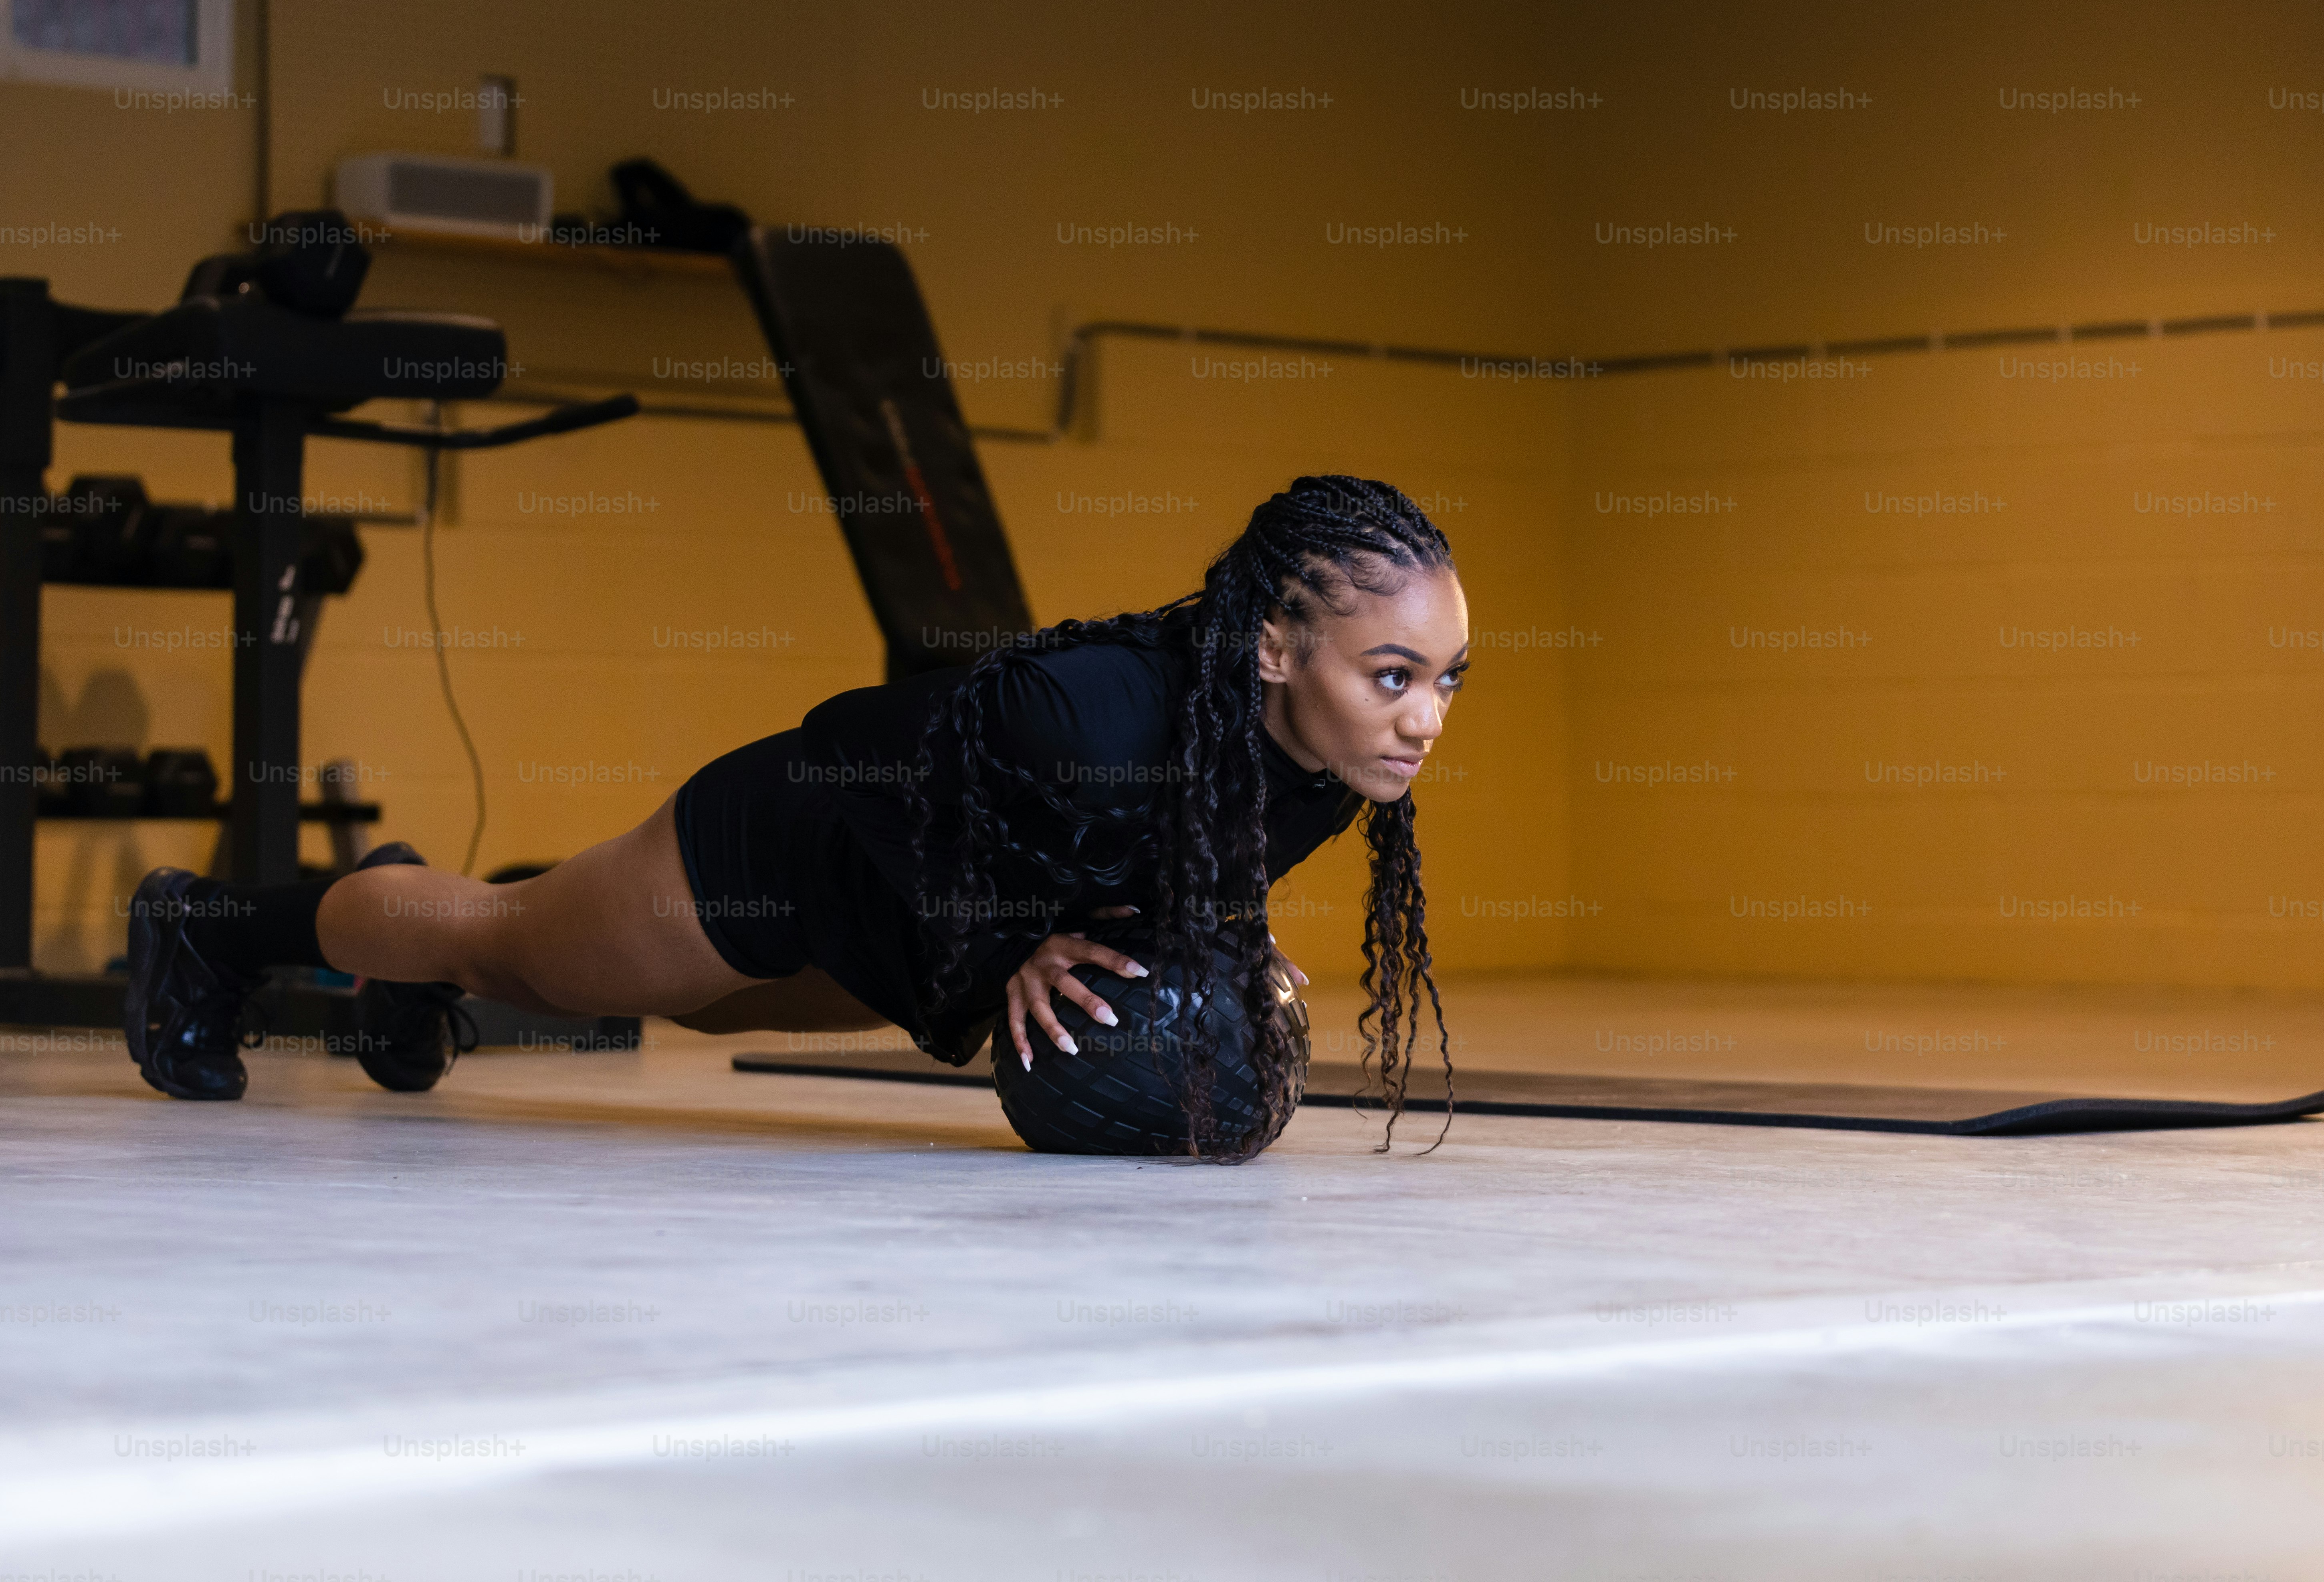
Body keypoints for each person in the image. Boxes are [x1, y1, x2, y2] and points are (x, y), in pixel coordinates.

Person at [124, 475, 1466, 1156]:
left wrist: (1204, 934)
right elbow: (875, 749)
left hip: (907, 909)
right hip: (798, 835)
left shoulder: (1317, 769)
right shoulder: (1092, 712)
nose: (1423, 719)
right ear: (1278, 648)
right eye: (1392, 677)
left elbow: (1137, 861)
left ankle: (420, 952)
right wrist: (1013, 947)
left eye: (1445, 680)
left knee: (689, 1010)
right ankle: (216, 933)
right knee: (515, 943)